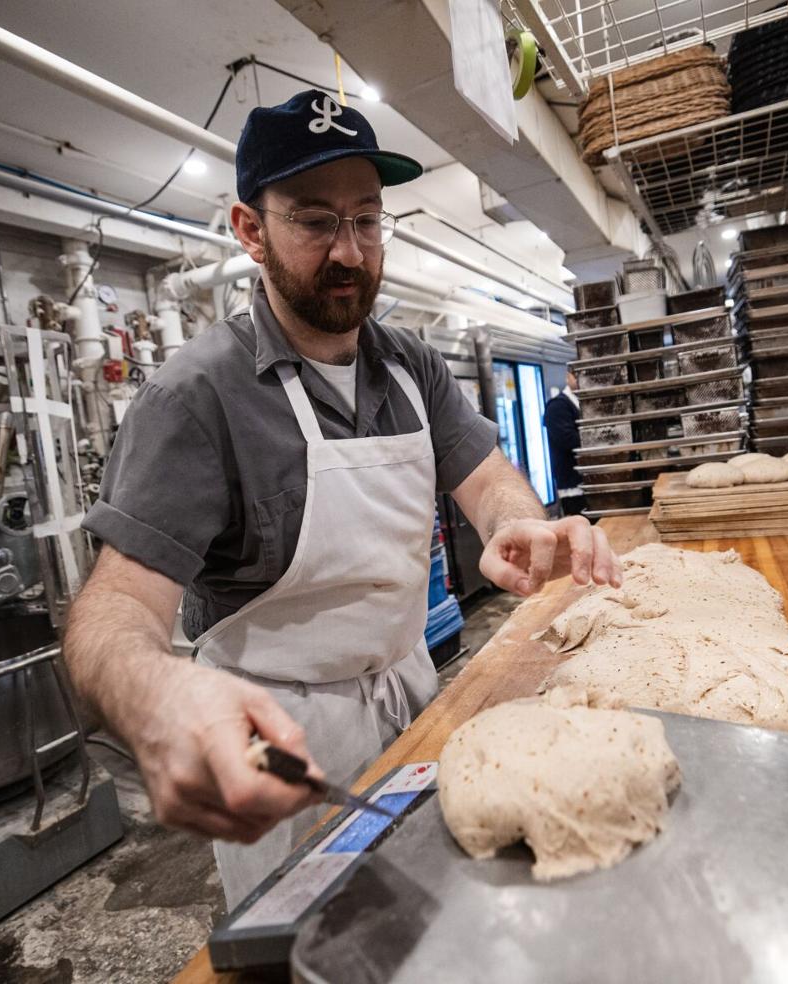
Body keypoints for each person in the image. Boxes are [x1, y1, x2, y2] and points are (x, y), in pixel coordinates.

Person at [63, 90, 623, 907]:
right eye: (315, 221)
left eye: (367, 219)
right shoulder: (197, 397)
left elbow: (489, 475)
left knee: (446, 918)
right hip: (285, 750)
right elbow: (111, 608)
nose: (352, 252)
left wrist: (518, 524)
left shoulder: (410, 365)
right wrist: (152, 692)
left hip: (414, 701)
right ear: (249, 229)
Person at [545, 369, 584, 517]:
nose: (582, 381)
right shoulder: (558, 406)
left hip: (585, 481)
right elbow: (567, 440)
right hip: (572, 484)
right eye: (577, 376)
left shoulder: (581, 403)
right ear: (568, 376)